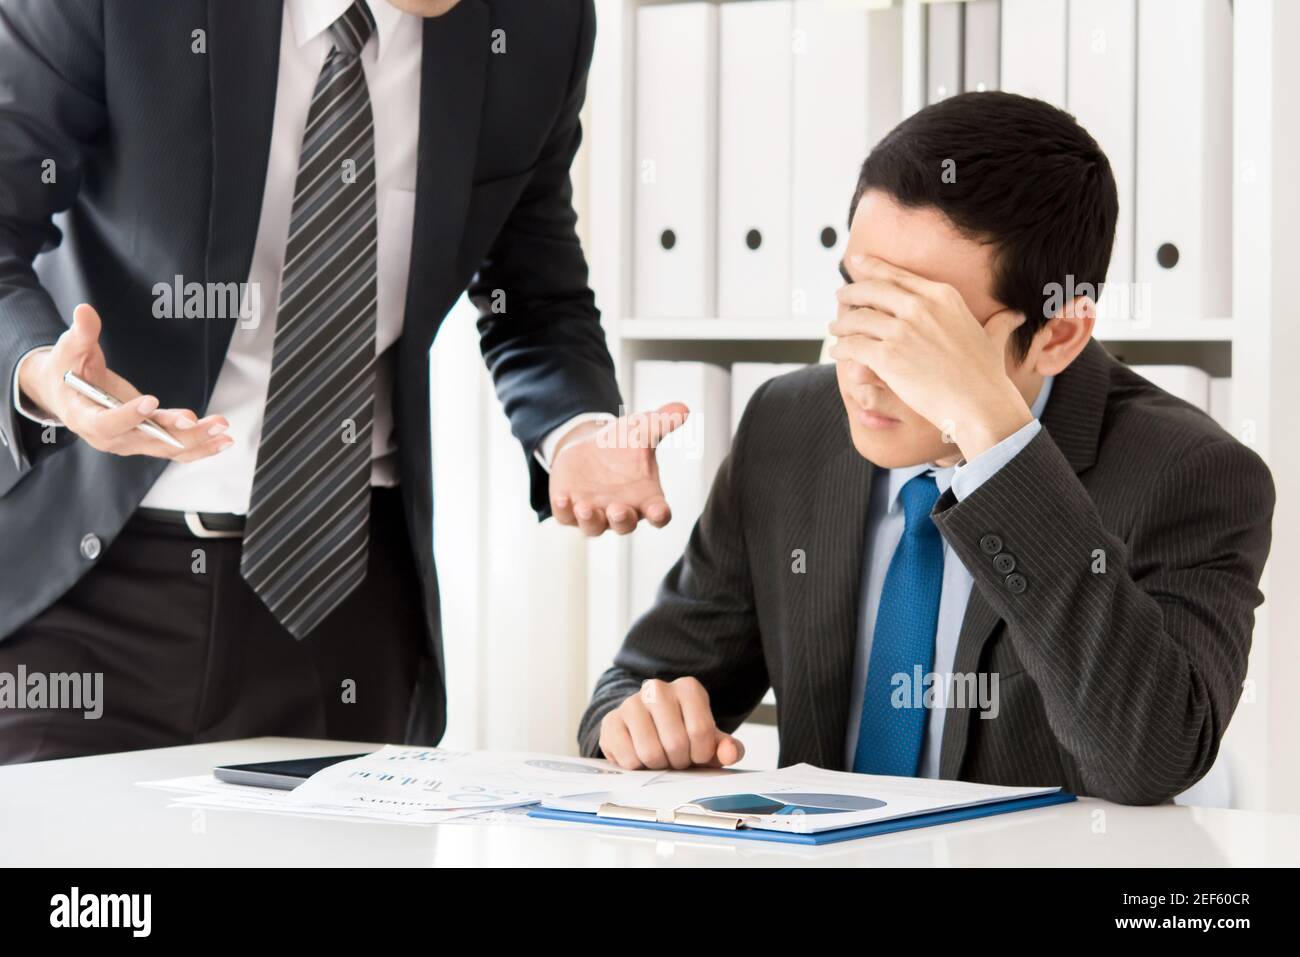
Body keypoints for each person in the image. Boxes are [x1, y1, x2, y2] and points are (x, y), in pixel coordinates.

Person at [0, 0, 681, 763]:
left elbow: (532, 291)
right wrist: (40, 372)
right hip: (87, 587)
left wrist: (576, 430)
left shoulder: (537, 27)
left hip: (343, 602)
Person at [578, 92, 1275, 805]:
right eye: (859, 302)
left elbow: (1150, 759)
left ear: (1058, 334)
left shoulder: (1193, 475)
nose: (862, 370)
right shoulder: (787, 425)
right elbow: (641, 682)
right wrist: (638, 720)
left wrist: (1000, 448)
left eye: (918, 332)